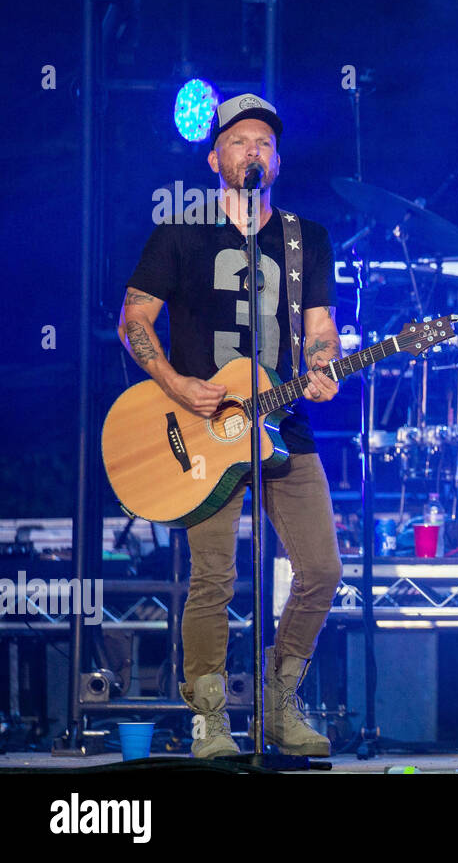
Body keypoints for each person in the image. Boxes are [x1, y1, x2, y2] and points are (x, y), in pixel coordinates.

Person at [117, 94, 342, 758]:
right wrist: (177, 384)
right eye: (239, 141)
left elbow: (319, 330)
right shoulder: (179, 236)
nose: (253, 151)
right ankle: (210, 716)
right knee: (213, 577)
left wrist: (324, 364)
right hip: (200, 430)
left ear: (277, 160)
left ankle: (279, 700)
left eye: (264, 143)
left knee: (322, 569)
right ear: (215, 157)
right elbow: (134, 322)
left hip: (283, 424)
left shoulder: (306, 240)